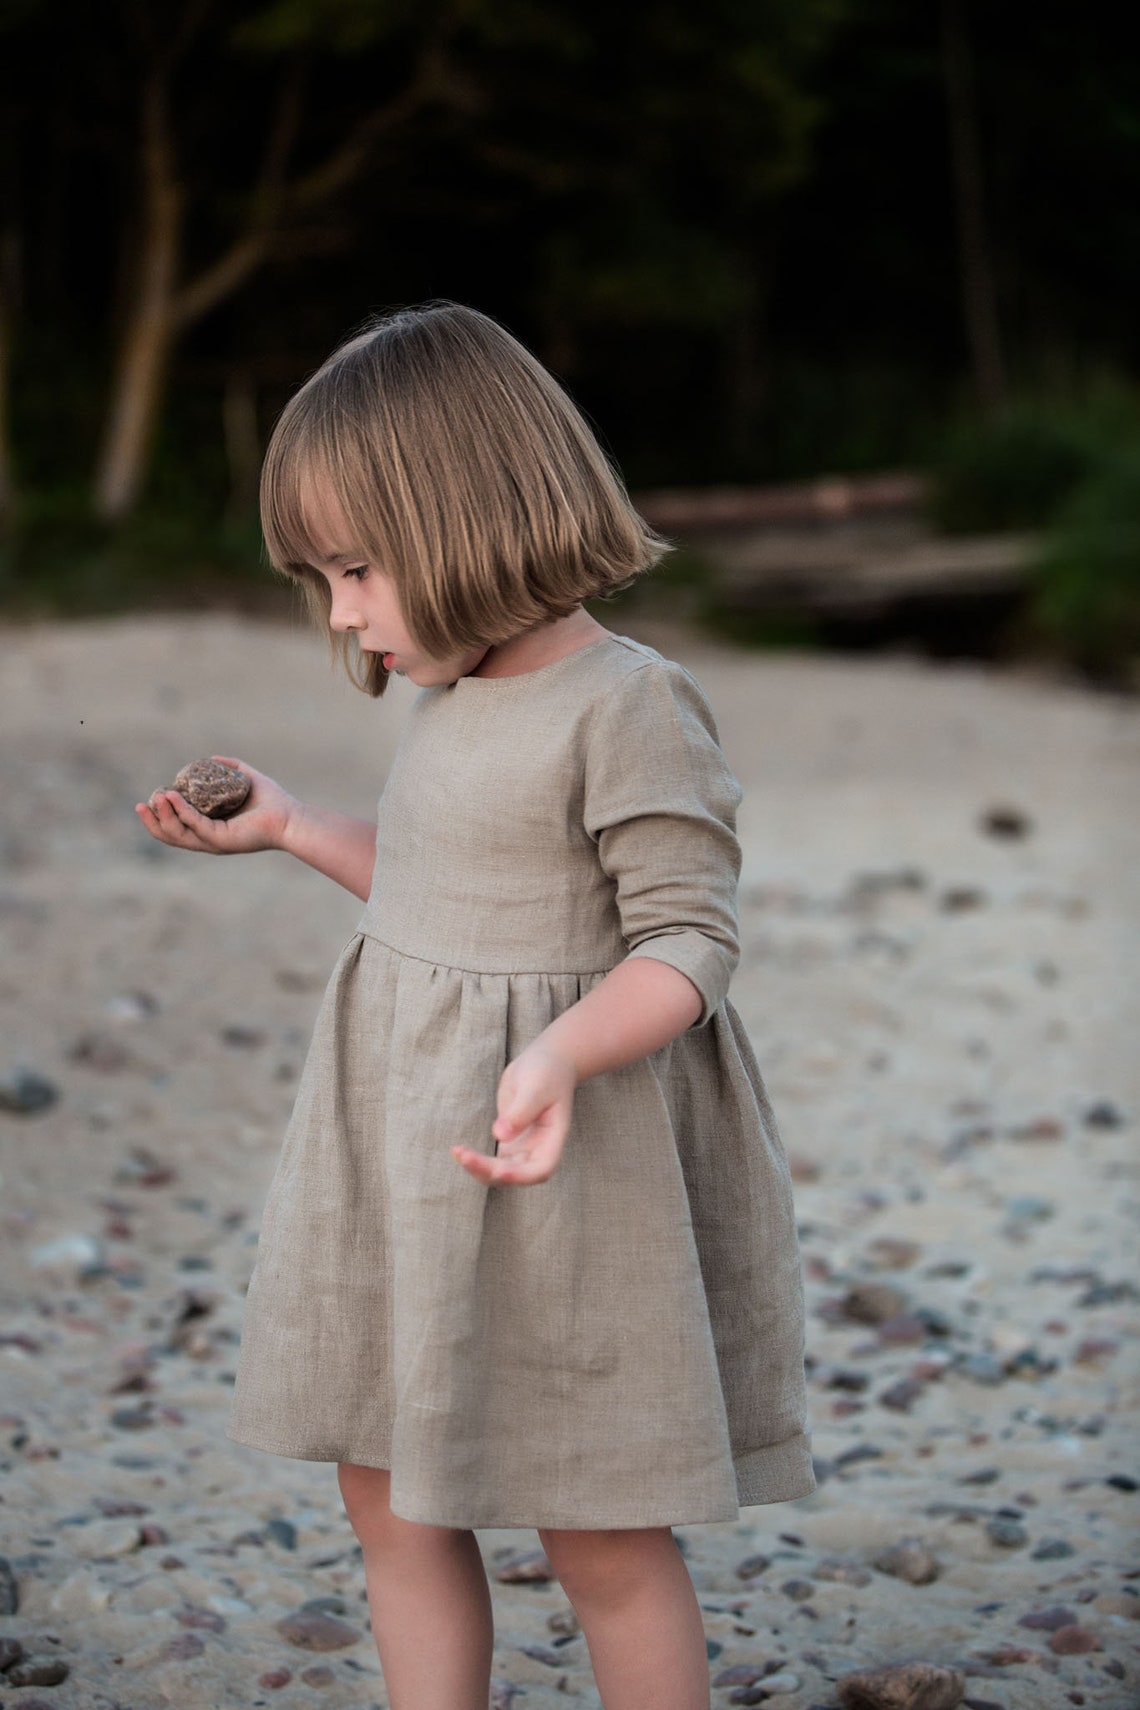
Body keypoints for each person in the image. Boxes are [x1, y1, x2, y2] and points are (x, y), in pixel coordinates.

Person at [136, 301, 814, 1710]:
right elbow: (455, 900)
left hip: (572, 1176)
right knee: (386, 1496)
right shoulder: (444, 693)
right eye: (321, 576)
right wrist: (293, 827)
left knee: (602, 1526)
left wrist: (563, 1049)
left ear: (471, 521)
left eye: (357, 569)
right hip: (403, 1159)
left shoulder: (627, 703)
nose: (340, 612)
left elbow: (688, 941)